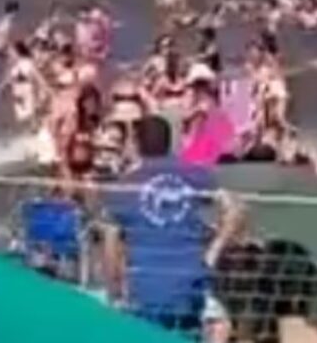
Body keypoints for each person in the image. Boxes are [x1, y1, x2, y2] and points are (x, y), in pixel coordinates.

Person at [102, 115, 243, 332]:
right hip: (190, 286)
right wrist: (212, 253)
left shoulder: (124, 186)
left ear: (135, 142)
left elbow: (110, 247)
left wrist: (114, 295)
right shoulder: (194, 173)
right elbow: (235, 208)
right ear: (169, 142)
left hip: (145, 290)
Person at [1, 41, 49, 130]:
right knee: (22, 116)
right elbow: (9, 78)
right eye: (10, 52)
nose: (10, 53)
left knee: (30, 112)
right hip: (17, 92)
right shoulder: (12, 65)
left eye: (12, 51)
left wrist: (45, 87)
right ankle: (35, 124)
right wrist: (3, 86)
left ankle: (36, 125)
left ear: (18, 52)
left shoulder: (27, 63)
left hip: (26, 89)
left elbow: (36, 75)